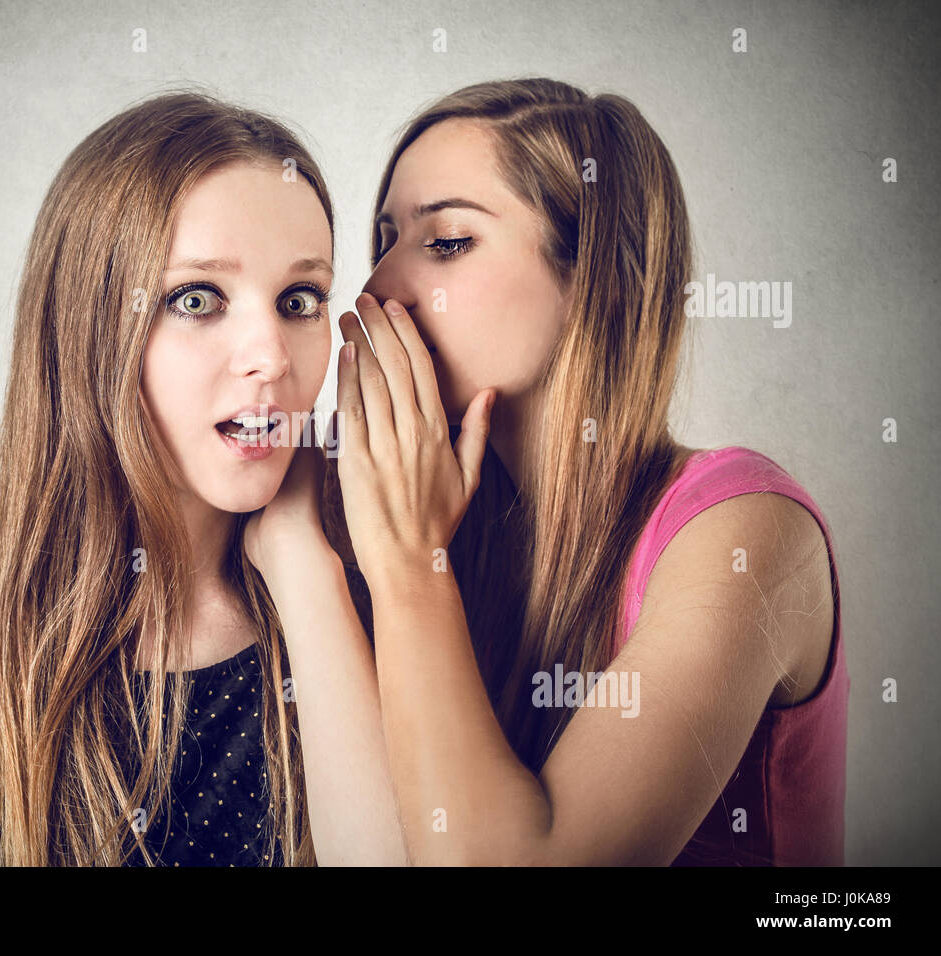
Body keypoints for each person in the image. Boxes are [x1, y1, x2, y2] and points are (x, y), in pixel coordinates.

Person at [0, 90, 405, 867]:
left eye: (299, 299)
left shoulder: (369, 622)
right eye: (197, 299)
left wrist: (302, 564)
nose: (272, 353)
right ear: (90, 331)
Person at [327, 77, 847, 865]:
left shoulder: (748, 531)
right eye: (384, 242)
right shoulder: (449, 521)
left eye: (446, 242)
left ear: (592, 277)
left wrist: (406, 566)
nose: (377, 290)